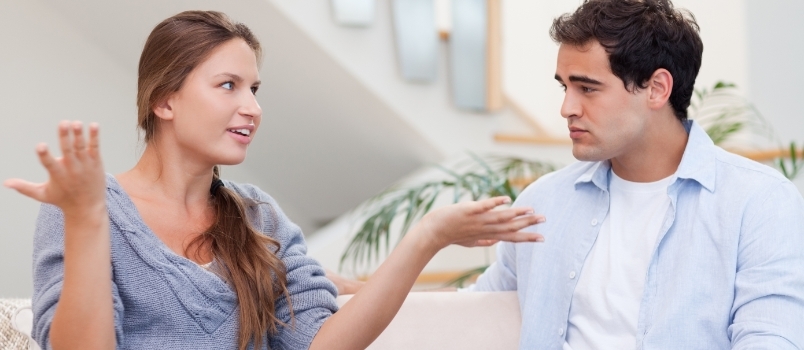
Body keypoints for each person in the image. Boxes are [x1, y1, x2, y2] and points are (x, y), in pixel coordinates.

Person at [2, 11, 545, 350]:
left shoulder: (259, 216)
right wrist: (87, 221)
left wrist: (427, 237)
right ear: (164, 99)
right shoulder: (87, 209)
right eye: (229, 85)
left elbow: (321, 346)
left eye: (255, 89)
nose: (252, 107)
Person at [464, 0, 804, 349]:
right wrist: (431, 238)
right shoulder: (542, 203)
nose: (567, 108)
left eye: (588, 88)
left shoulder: (759, 202)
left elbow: (771, 339)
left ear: (657, 88)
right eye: (565, 87)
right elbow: (475, 314)